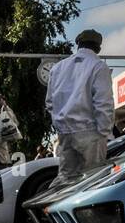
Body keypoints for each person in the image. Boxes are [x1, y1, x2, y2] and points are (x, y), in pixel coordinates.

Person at [46, 29, 113, 190]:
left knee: (65, 179)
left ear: (78, 44)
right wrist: (105, 133)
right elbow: (103, 103)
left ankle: (51, 209)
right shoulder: (98, 66)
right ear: (98, 48)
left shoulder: (57, 68)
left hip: (65, 132)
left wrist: (60, 124)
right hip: (90, 132)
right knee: (92, 181)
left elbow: (49, 102)